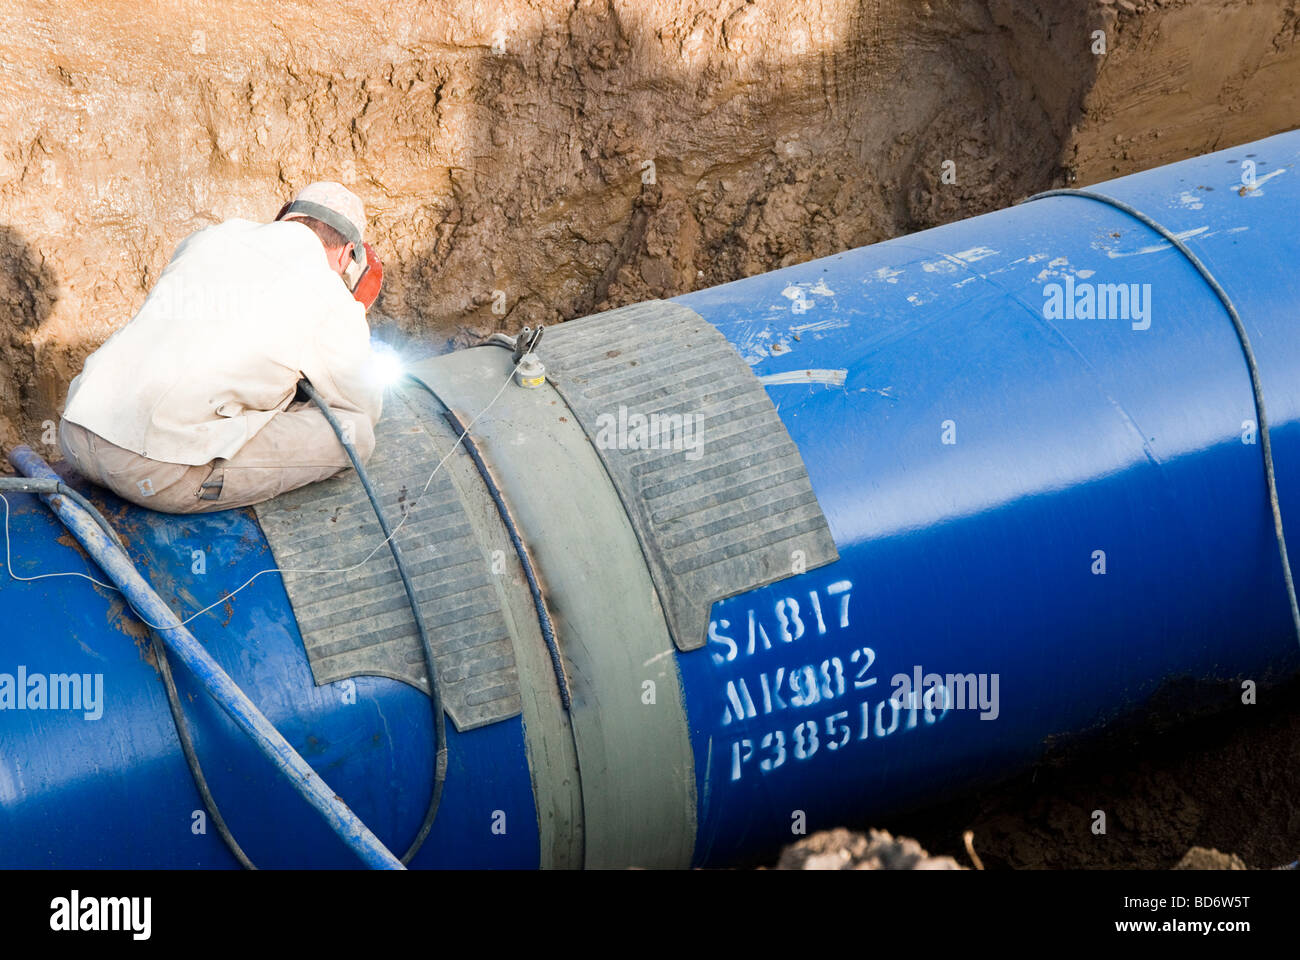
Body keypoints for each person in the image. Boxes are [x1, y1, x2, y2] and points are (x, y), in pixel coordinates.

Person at [58, 181, 386, 513]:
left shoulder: (211, 236)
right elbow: (362, 404)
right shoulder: (329, 294)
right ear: (347, 253)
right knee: (355, 434)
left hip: (75, 430)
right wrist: (353, 313)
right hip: (152, 470)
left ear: (287, 218)